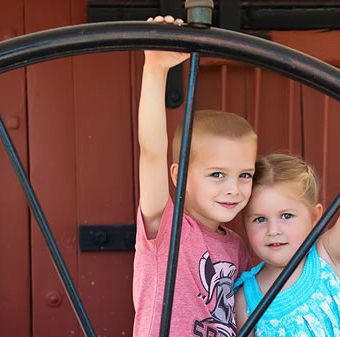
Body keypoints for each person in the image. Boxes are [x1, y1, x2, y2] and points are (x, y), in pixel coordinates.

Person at [132, 16, 257, 337]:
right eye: (217, 174)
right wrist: (156, 69)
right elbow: (152, 152)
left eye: (245, 175)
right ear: (179, 175)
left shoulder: (238, 247)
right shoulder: (167, 225)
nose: (234, 189)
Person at [233, 149, 340, 334]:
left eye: (286, 215)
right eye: (260, 219)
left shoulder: (328, 258)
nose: (273, 231)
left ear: (315, 216)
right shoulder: (245, 300)